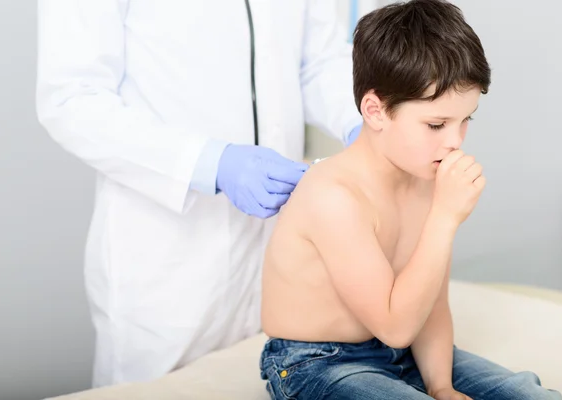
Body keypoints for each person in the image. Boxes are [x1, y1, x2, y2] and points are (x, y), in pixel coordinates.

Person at [35, 0, 362, 388]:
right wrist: (210, 162)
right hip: (167, 260)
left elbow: (318, 61)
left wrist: (364, 121)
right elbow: (72, 99)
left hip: (277, 254)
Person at [259, 1, 562, 399]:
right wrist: (445, 217)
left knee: (527, 394)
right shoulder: (334, 196)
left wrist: (442, 386)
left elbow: (430, 305)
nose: (454, 141)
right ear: (376, 111)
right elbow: (394, 325)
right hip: (316, 362)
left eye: (466, 119)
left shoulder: (424, 178)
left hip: (400, 351)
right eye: (436, 124)